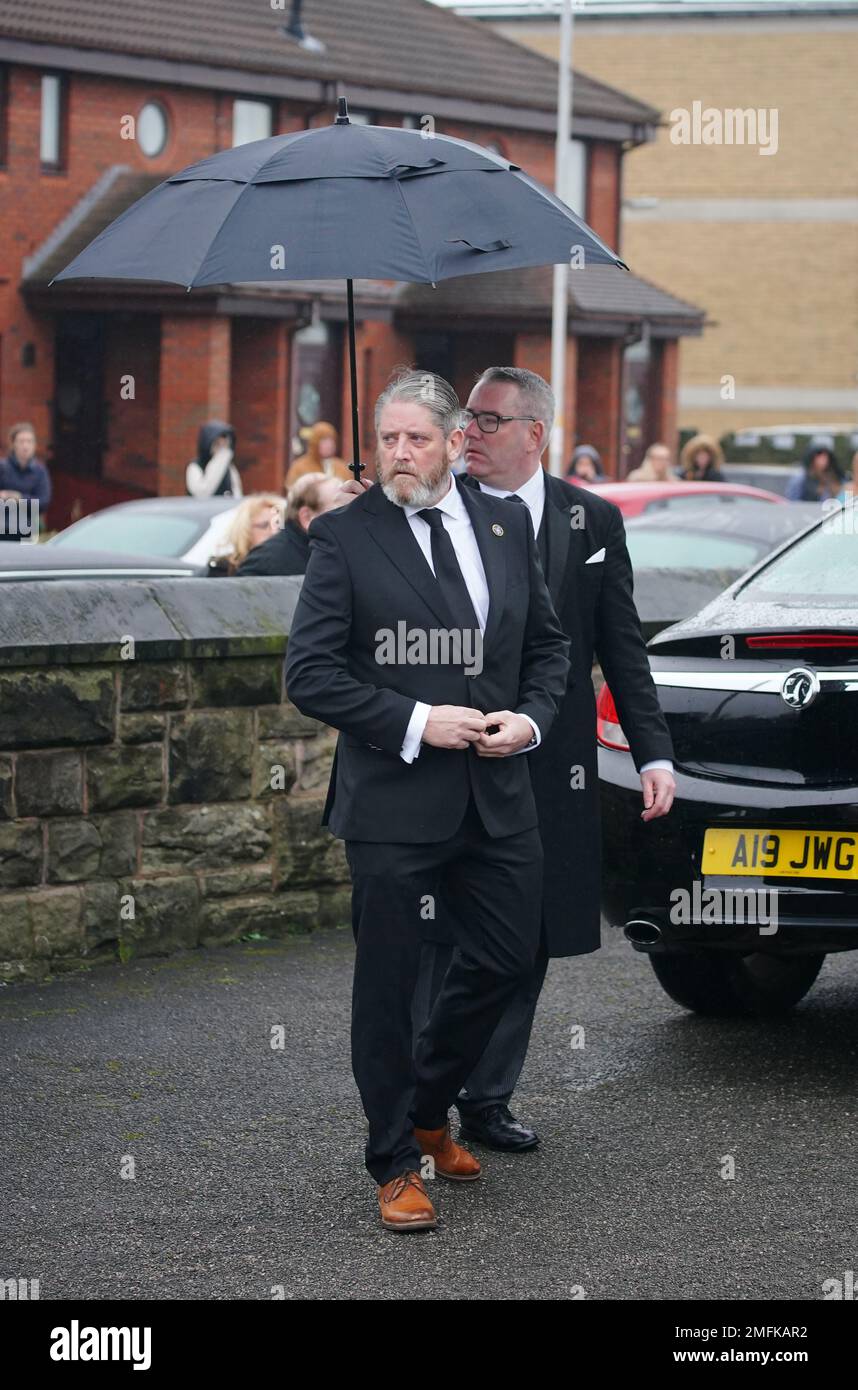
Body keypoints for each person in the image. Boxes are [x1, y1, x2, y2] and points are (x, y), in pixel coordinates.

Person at [284, 368, 570, 1232]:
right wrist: (416, 720)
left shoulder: (504, 521)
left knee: (510, 955)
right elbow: (311, 674)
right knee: (390, 983)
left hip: (499, 794)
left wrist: (528, 722)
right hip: (393, 803)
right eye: (388, 439)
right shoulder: (344, 537)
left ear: (456, 443)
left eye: (418, 438)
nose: (400, 454)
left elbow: (549, 647)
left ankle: (429, 1104)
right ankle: (394, 1163)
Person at [410, 367, 675, 1153]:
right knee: (444, 935)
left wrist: (654, 751)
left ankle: (488, 1100)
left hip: (553, 769)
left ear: (536, 432)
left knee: (525, 938)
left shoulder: (589, 520)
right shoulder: (432, 510)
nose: (471, 434)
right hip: (455, 764)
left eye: (488, 421)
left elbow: (622, 647)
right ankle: (423, 1096)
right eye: (465, 419)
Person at [237, 473, 342, 576]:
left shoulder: (333, 551)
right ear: (307, 517)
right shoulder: (265, 563)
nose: (350, 517)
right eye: (340, 509)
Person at [0, 422, 52, 540]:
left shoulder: (40, 471)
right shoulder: (2, 468)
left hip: (27, 532)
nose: (25, 446)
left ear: (34, 445)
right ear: (13, 444)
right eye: (21, 441)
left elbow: (43, 502)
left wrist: (19, 498)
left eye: (29, 441)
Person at [218, 494, 285, 574]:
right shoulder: (222, 570)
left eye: (279, 525)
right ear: (245, 530)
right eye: (264, 526)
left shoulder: (295, 565)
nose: (274, 532)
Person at [285, 421, 351, 488]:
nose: (329, 445)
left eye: (331, 440)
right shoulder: (299, 467)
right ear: (315, 443)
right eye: (324, 440)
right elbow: (293, 492)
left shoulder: (341, 467)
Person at [185, 420, 242, 498]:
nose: (222, 449)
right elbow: (201, 493)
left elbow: (237, 493)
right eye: (217, 444)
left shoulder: (229, 468)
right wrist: (220, 459)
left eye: (225, 444)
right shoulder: (195, 466)